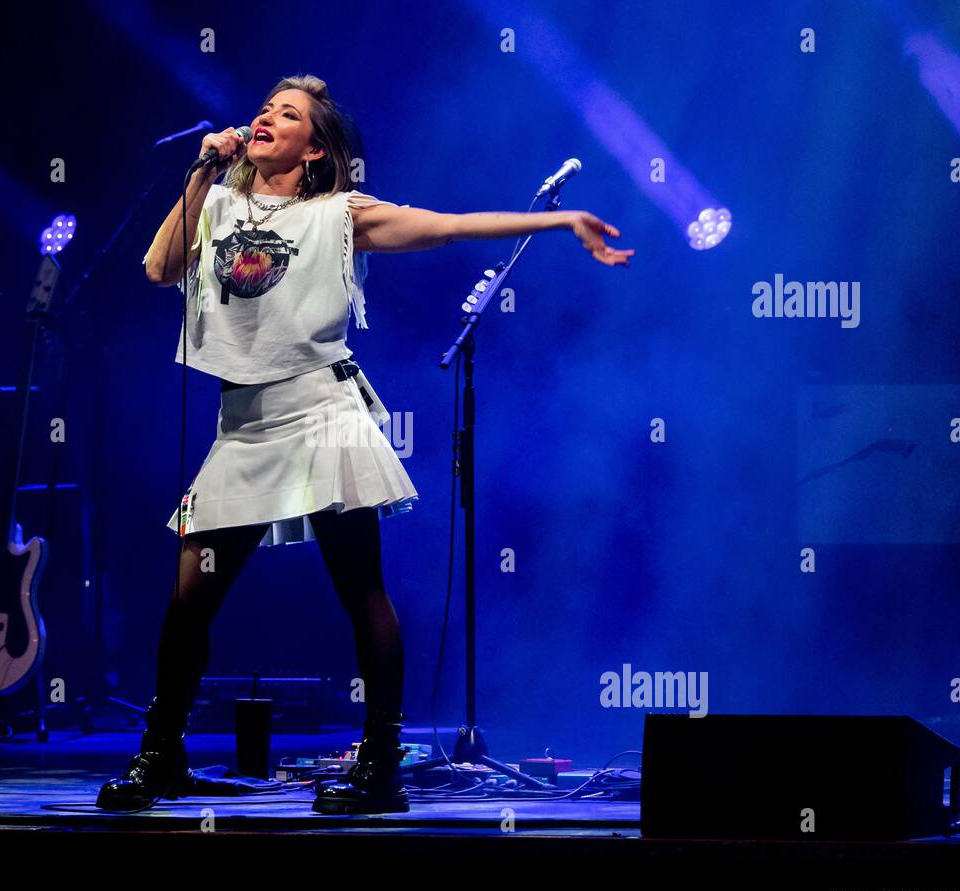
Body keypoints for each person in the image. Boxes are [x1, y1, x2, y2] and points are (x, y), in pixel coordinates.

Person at [96, 74, 633, 815]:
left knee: (360, 590)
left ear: (315, 148)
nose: (264, 118)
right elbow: (160, 268)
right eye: (263, 109)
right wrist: (203, 170)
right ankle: (160, 758)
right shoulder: (216, 201)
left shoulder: (338, 214)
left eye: (287, 115)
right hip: (242, 426)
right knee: (189, 599)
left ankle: (381, 769)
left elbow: (446, 226)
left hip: (320, 414)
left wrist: (557, 220)